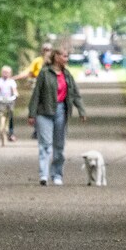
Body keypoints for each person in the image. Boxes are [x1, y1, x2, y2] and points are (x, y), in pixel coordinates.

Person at [27, 48, 86, 186]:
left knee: (59, 146)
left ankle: (57, 174)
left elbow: (75, 94)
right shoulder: (44, 73)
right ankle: (43, 175)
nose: (67, 59)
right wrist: (32, 114)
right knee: (45, 144)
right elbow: (36, 94)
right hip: (44, 112)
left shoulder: (67, 74)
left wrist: (81, 111)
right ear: (56, 57)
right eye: (65, 56)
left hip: (61, 111)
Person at [0, 65, 19, 142]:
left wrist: (15, 95)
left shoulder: (12, 82)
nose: (5, 74)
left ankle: (11, 133)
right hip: (1, 100)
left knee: (10, 114)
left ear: (10, 73)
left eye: (7, 72)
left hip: (9, 101)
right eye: (4, 72)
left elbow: (14, 91)